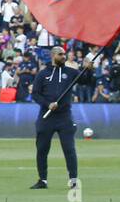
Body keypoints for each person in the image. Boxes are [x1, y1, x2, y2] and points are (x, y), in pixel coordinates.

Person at [30, 45, 86, 190]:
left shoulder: (71, 72)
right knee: (42, 149)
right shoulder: (43, 74)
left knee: (69, 149)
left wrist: (88, 69)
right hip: (46, 116)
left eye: (64, 54)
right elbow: (35, 94)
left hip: (64, 117)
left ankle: (73, 180)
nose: (63, 56)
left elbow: (86, 80)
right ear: (53, 56)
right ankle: (42, 180)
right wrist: (47, 104)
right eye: (60, 54)